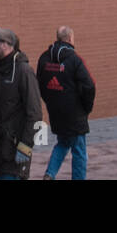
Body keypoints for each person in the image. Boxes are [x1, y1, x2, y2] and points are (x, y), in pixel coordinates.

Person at [35, 26, 96, 180]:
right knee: (79, 150)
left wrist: (51, 101)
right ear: (70, 39)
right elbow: (89, 86)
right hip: (75, 113)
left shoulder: (43, 58)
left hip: (56, 111)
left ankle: (49, 174)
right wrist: (86, 108)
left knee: (62, 143)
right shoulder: (75, 60)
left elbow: (40, 84)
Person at [0, 28, 42, 180]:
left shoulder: (24, 71)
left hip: (13, 153)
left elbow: (34, 113)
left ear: (5, 45)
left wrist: (26, 146)